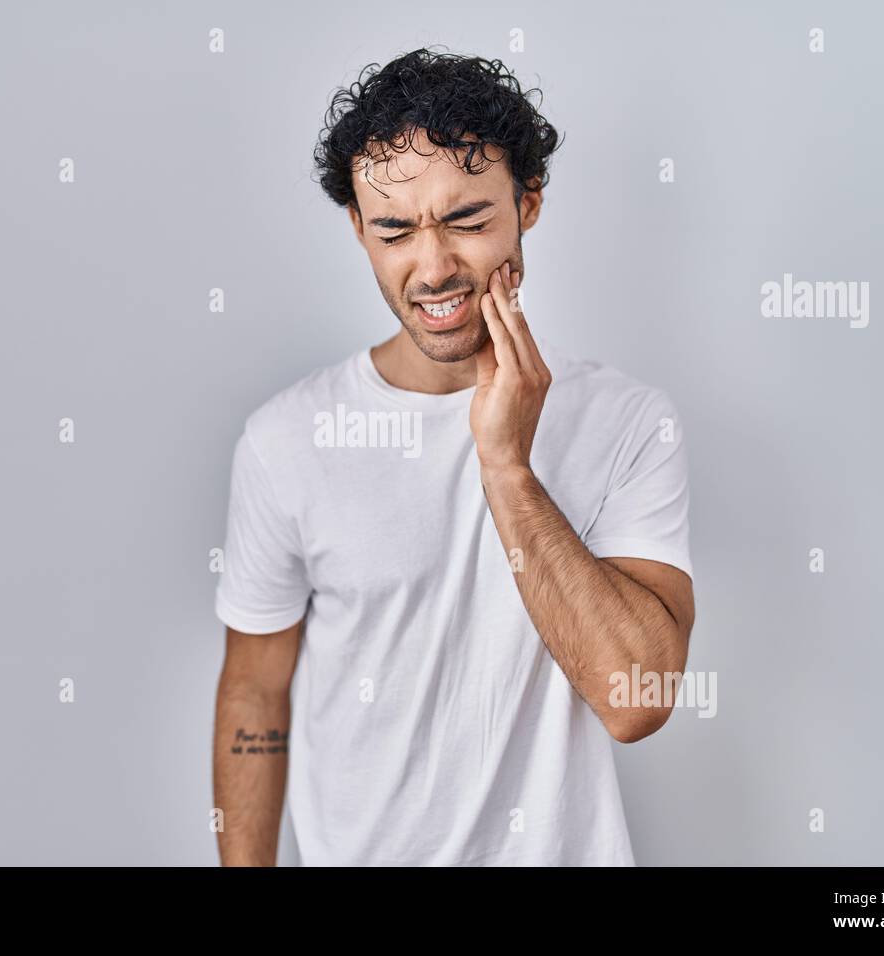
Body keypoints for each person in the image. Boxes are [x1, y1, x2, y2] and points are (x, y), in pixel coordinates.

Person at [212, 48, 695, 866]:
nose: (433, 268)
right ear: (359, 229)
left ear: (527, 204)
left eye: (469, 221)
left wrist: (507, 468)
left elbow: (632, 699)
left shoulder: (630, 422)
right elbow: (255, 690)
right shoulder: (284, 440)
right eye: (396, 230)